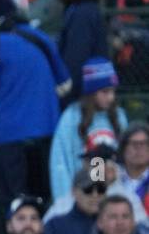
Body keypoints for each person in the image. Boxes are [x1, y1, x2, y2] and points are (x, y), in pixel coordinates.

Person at [0, 0, 71, 213]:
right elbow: (64, 85)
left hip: (10, 140)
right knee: (42, 203)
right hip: (47, 135)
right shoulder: (42, 39)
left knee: (13, 207)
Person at [49, 59, 127, 198]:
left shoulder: (119, 115)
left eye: (113, 91)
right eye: (105, 91)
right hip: (82, 196)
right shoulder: (71, 117)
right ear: (91, 92)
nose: (111, 97)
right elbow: (60, 164)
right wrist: (65, 200)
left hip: (115, 196)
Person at [54, 0, 111, 90]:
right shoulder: (82, 9)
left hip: (85, 93)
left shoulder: (82, 13)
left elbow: (76, 58)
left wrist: (64, 90)